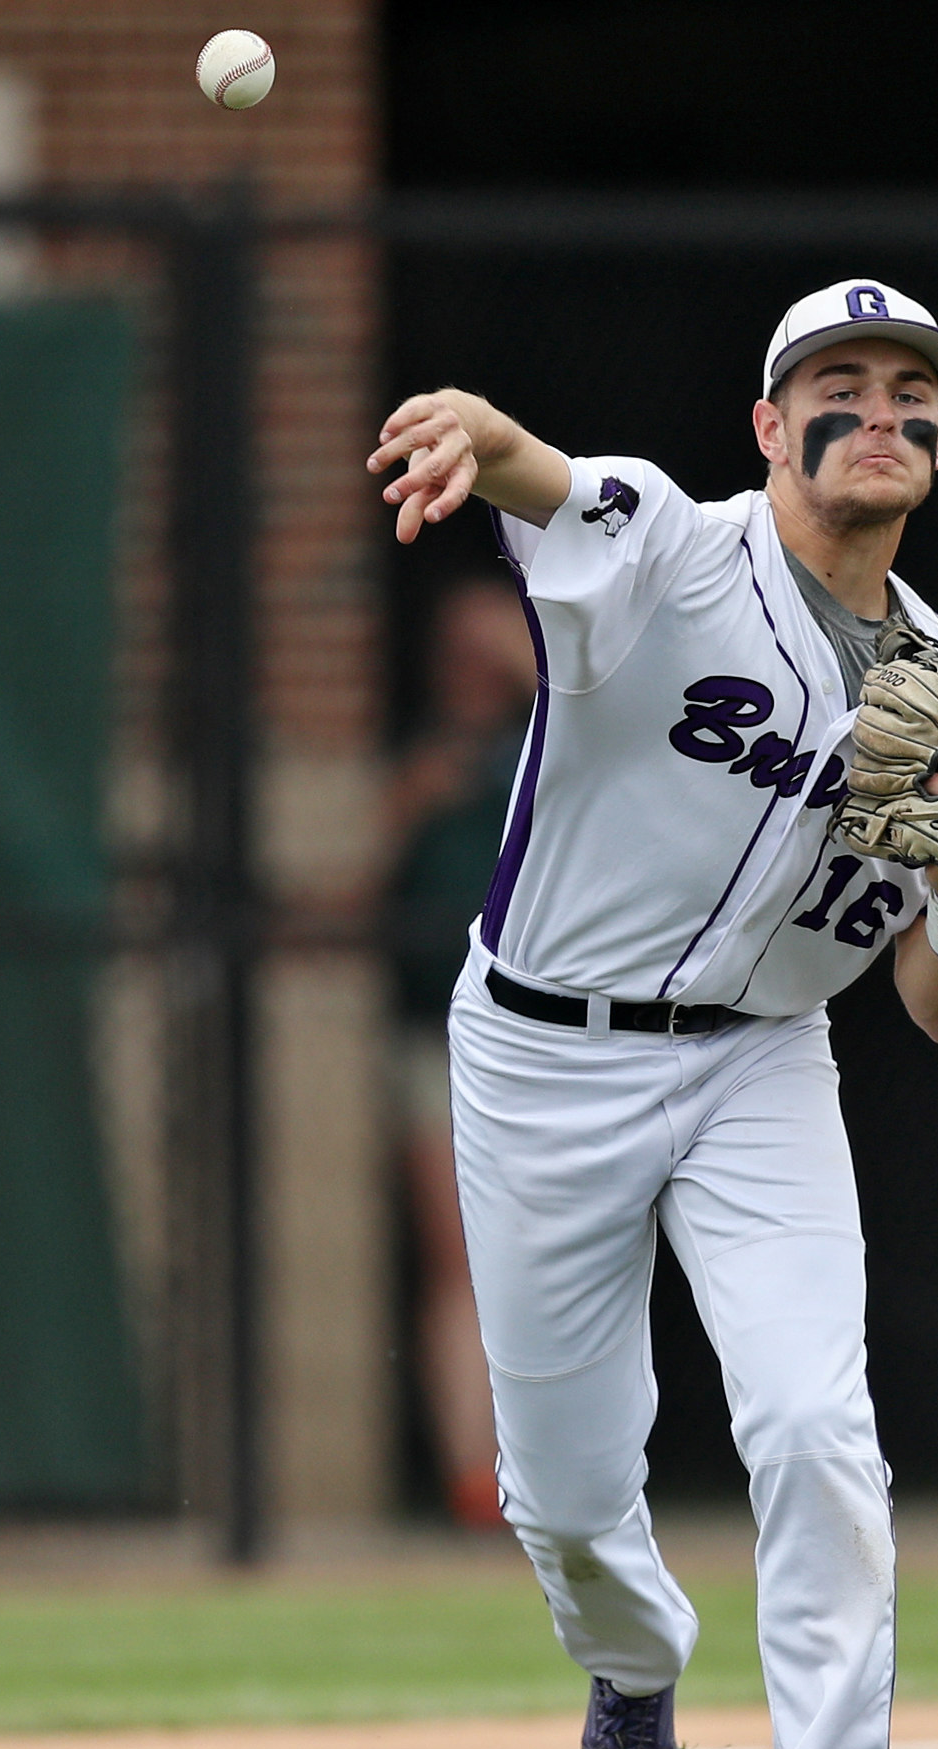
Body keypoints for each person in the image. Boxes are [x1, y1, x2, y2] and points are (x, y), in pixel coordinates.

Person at [365, 279, 938, 1749]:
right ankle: (632, 1665)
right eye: (837, 384)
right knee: (565, 1496)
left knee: (815, 1428)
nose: (878, 410)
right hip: (540, 1052)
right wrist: (465, 425)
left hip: (761, 1063)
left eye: (909, 390)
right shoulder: (671, 547)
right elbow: (543, 475)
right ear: (766, 425)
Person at [383, 579, 539, 1530]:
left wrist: (522, 650)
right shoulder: (424, 757)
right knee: (459, 1258)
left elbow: (612, 705)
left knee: (554, 1255)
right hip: (433, 1037)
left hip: (547, 1041)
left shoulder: (548, 743)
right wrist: (407, 801)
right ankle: (473, 1480)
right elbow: (339, 889)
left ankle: (553, 1475)